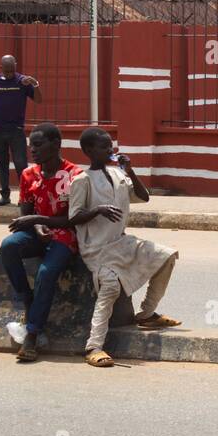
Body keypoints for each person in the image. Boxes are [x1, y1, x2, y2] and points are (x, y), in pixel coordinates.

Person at [69, 127, 181, 368]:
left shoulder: (118, 175)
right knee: (109, 288)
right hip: (97, 249)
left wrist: (130, 171)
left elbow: (143, 196)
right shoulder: (82, 180)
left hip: (121, 242)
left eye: (111, 145)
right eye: (103, 146)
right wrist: (97, 210)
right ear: (89, 151)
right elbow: (73, 217)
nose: (110, 150)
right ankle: (94, 347)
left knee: (167, 256)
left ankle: (147, 314)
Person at [0, 123, 81, 363]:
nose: (32, 150)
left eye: (38, 144)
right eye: (30, 145)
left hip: (65, 234)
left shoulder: (74, 175)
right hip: (38, 233)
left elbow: (74, 218)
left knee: (46, 272)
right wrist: (36, 226)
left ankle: (32, 334)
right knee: (8, 246)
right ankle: (28, 299)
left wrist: (39, 219)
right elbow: (26, 211)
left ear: (56, 144)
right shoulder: (28, 174)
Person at [0, 55, 42, 206]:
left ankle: (24, 197)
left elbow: (39, 100)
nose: (9, 74)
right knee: (1, 164)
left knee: (21, 165)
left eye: (12, 70)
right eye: (7, 71)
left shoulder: (22, 81)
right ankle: (5, 195)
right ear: (1, 68)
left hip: (16, 131)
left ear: (15, 66)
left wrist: (35, 84)